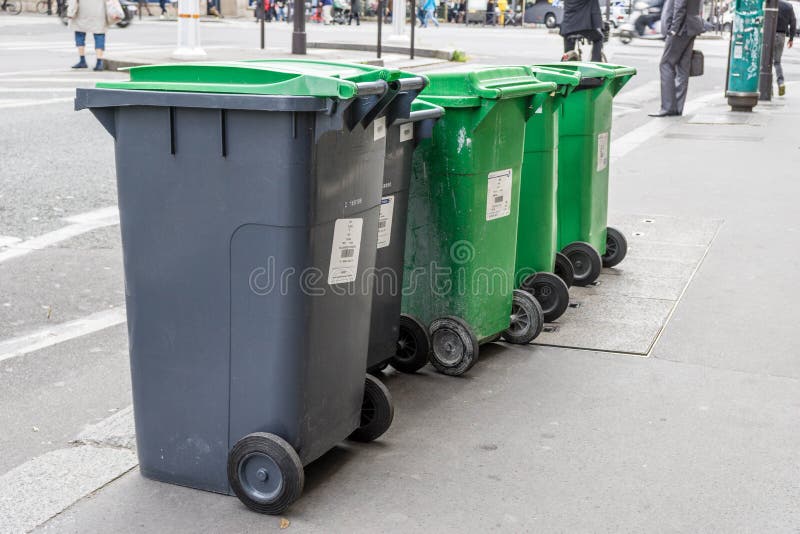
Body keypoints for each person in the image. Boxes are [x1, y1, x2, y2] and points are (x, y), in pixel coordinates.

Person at [648, 0, 704, 116]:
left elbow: (680, 5)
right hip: (690, 26)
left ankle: (668, 107)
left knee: (666, 65)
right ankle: (677, 107)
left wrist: (674, 29)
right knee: (683, 68)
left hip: (681, 28)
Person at [67, 0, 108, 71]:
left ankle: (82, 60)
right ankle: (99, 62)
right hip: (99, 11)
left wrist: (70, 12)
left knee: (79, 33)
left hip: (82, 12)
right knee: (99, 34)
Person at [775, 0, 796, 96]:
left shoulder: (769, 3)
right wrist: (791, 38)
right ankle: (781, 83)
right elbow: (793, 23)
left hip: (768, 34)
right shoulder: (788, 6)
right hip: (781, 35)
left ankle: (767, 88)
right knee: (777, 62)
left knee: (766, 63)